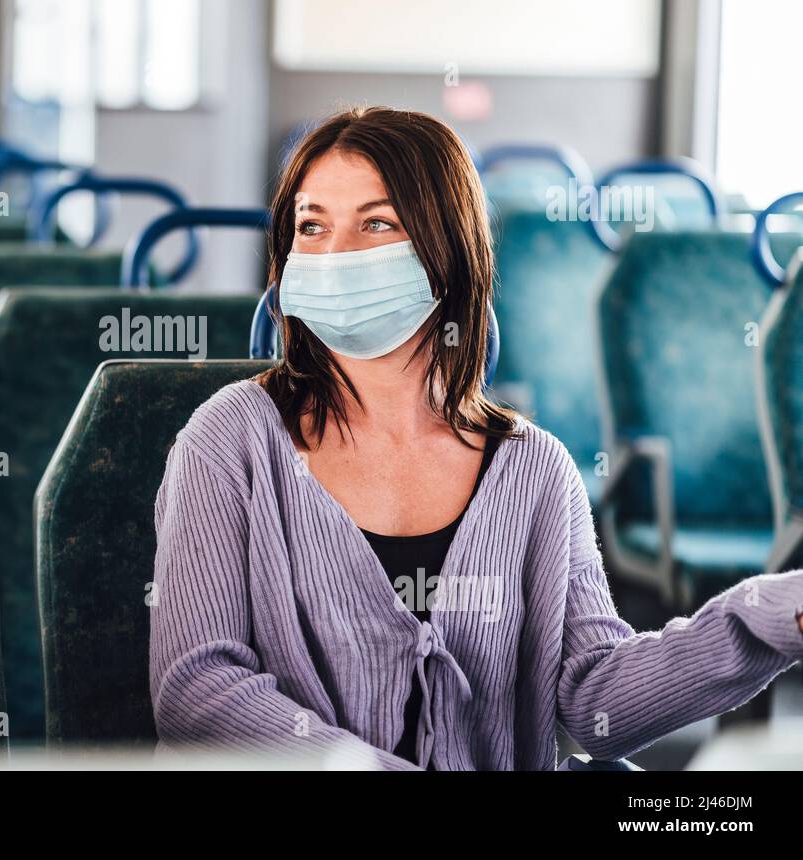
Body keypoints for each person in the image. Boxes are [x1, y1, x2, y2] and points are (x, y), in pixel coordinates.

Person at [148, 106, 803, 770]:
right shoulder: (229, 440)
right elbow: (198, 687)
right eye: (310, 227)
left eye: (376, 224)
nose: (333, 254)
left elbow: (592, 701)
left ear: (445, 251)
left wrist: (774, 615)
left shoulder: (534, 468)